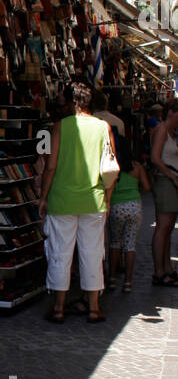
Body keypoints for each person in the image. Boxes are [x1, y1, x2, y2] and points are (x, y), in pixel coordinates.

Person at [38, 82, 114, 324]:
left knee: (61, 253)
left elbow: (50, 167)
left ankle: (59, 308)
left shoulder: (60, 127)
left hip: (62, 199)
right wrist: (108, 201)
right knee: (92, 254)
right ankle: (94, 308)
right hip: (94, 200)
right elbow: (109, 168)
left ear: (72, 103)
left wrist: (43, 196)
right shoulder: (104, 127)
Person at [107, 134, 150, 291]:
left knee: (115, 242)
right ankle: (128, 283)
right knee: (130, 245)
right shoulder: (137, 167)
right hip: (134, 207)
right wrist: (136, 192)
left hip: (116, 206)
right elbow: (147, 187)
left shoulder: (112, 166)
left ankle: (111, 279)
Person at [149, 99, 178, 285]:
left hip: (170, 182)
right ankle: (159, 271)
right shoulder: (161, 130)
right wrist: (171, 175)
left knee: (167, 228)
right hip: (165, 181)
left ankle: (167, 268)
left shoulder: (170, 132)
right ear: (171, 113)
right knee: (163, 227)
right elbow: (155, 157)